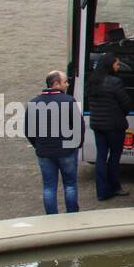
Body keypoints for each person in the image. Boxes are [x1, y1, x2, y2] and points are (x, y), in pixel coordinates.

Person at [25, 71, 83, 215]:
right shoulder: (68, 100)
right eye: (65, 82)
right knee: (70, 185)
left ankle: (51, 218)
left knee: (48, 187)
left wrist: (38, 145)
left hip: (44, 152)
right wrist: (76, 144)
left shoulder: (33, 103)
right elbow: (79, 126)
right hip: (67, 150)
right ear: (56, 84)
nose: (67, 84)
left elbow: (28, 130)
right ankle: (72, 215)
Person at [86, 53, 131, 201]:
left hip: (98, 125)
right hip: (115, 125)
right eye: (117, 64)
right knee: (114, 157)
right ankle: (115, 187)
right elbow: (125, 104)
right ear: (110, 65)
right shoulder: (115, 82)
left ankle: (102, 191)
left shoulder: (92, 81)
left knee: (101, 157)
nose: (118, 67)